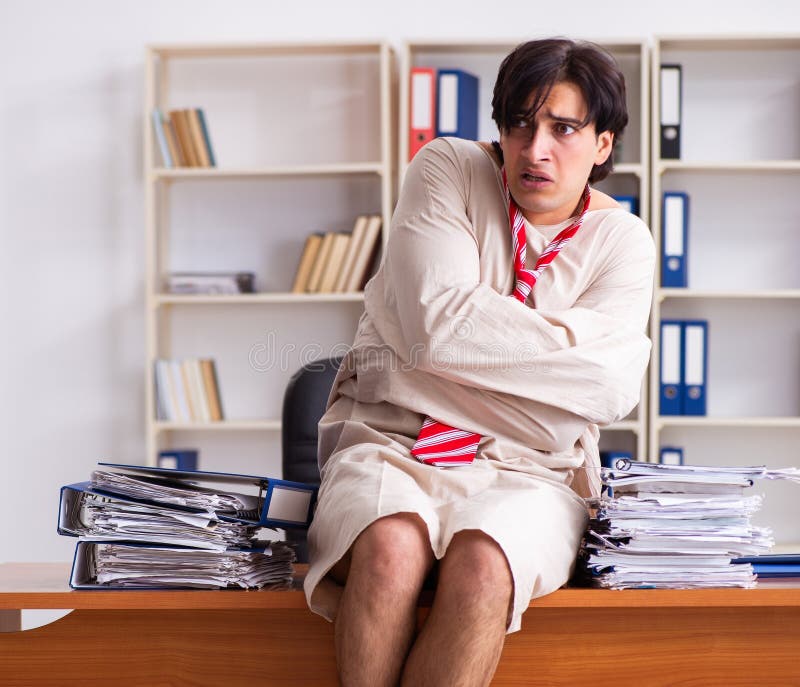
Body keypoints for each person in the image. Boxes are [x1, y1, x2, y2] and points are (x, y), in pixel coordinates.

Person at [304, 37, 655, 686]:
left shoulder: (623, 243)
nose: (535, 148)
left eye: (563, 128)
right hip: (392, 444)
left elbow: (607, 388)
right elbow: (437, 327)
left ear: (603, 143)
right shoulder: (447, 168)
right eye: (519, 123)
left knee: (484, 559)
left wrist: (428, 369)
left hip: (534, 472)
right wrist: (549, 374)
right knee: (390, 546)